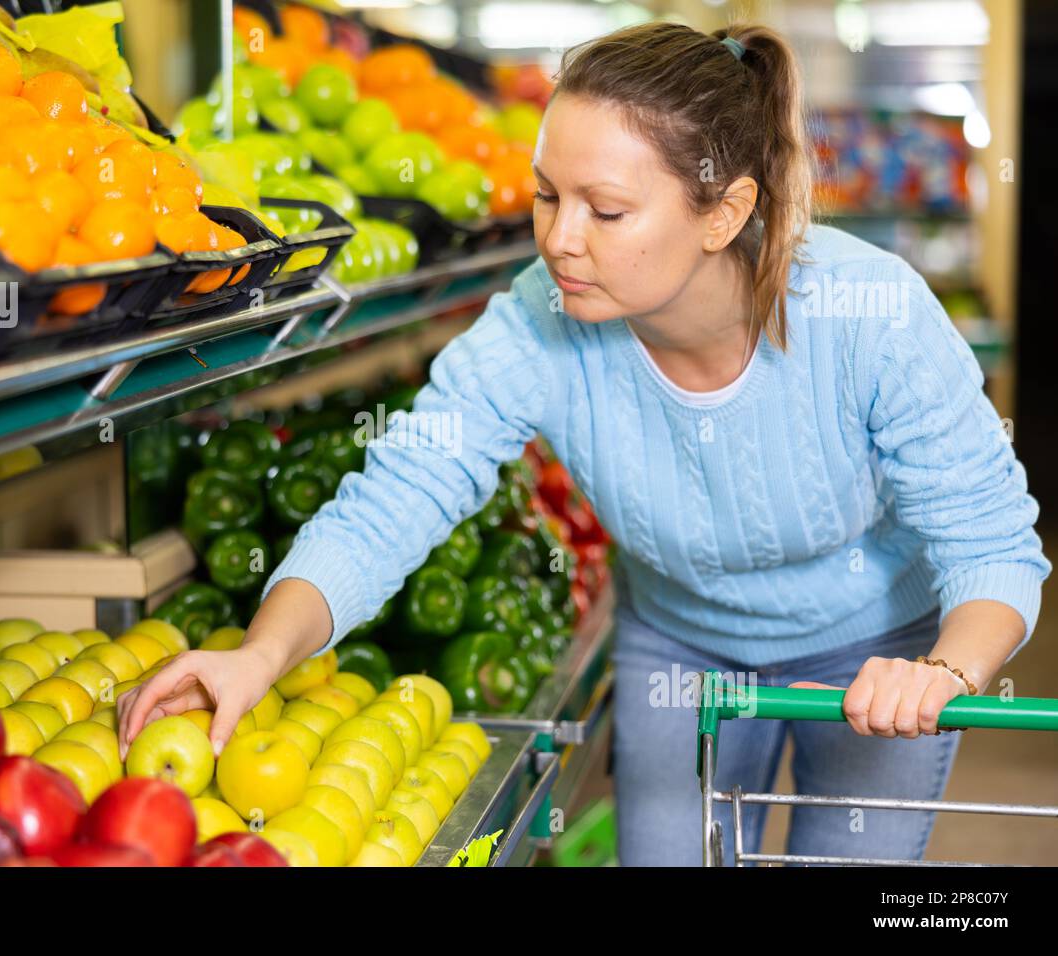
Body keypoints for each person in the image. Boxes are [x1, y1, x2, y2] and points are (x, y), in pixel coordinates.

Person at [117, 21, 1049, 866]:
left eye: (605, 211)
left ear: (722, 213)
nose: (560, 241)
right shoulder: (535, 325)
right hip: (679, 641)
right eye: (545, 196)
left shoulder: (869, 312)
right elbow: (394, 498)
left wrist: (942, 671)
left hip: (874, 648)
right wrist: (259, 653)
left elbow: (994, 546)